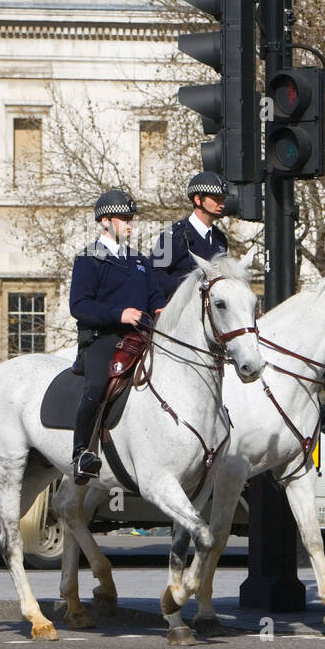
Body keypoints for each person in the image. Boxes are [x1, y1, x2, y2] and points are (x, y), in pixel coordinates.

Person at [69, 189, 166, 483]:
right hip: (104, 338)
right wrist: (119, 314)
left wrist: (162, 310)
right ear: (105, 221)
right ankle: (81, 453)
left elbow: (155, 296)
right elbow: (79, 305)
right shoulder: (89, 259)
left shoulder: (139, 261)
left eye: (130, 219)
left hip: (142, 337)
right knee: (97, 386)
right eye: (124, 218)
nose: (129, 224)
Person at [152, 172, 230, 299]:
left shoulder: (220, 239)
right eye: (216, 199)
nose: (222, 204)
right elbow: (155, 274)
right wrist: (189, 287)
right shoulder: (172, 236)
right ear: (198, 200)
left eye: (223, 199)